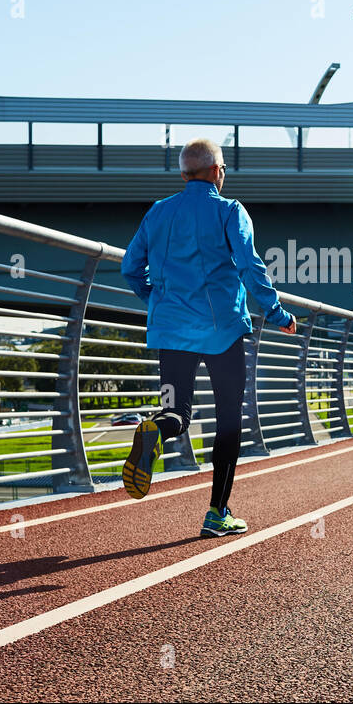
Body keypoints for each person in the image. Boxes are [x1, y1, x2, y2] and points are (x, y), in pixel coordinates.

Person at [120, 138, 297, 537]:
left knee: (176, 413)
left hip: (171, 332)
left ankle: (155, 432)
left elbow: (131, 268)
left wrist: (159, 302)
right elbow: (251, 267)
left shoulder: (159, 212)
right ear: (218, 172)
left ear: (184, 174)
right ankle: (217, 512)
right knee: (229, 419)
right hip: (224, 332)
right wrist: (278, 313)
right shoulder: (230, 210)